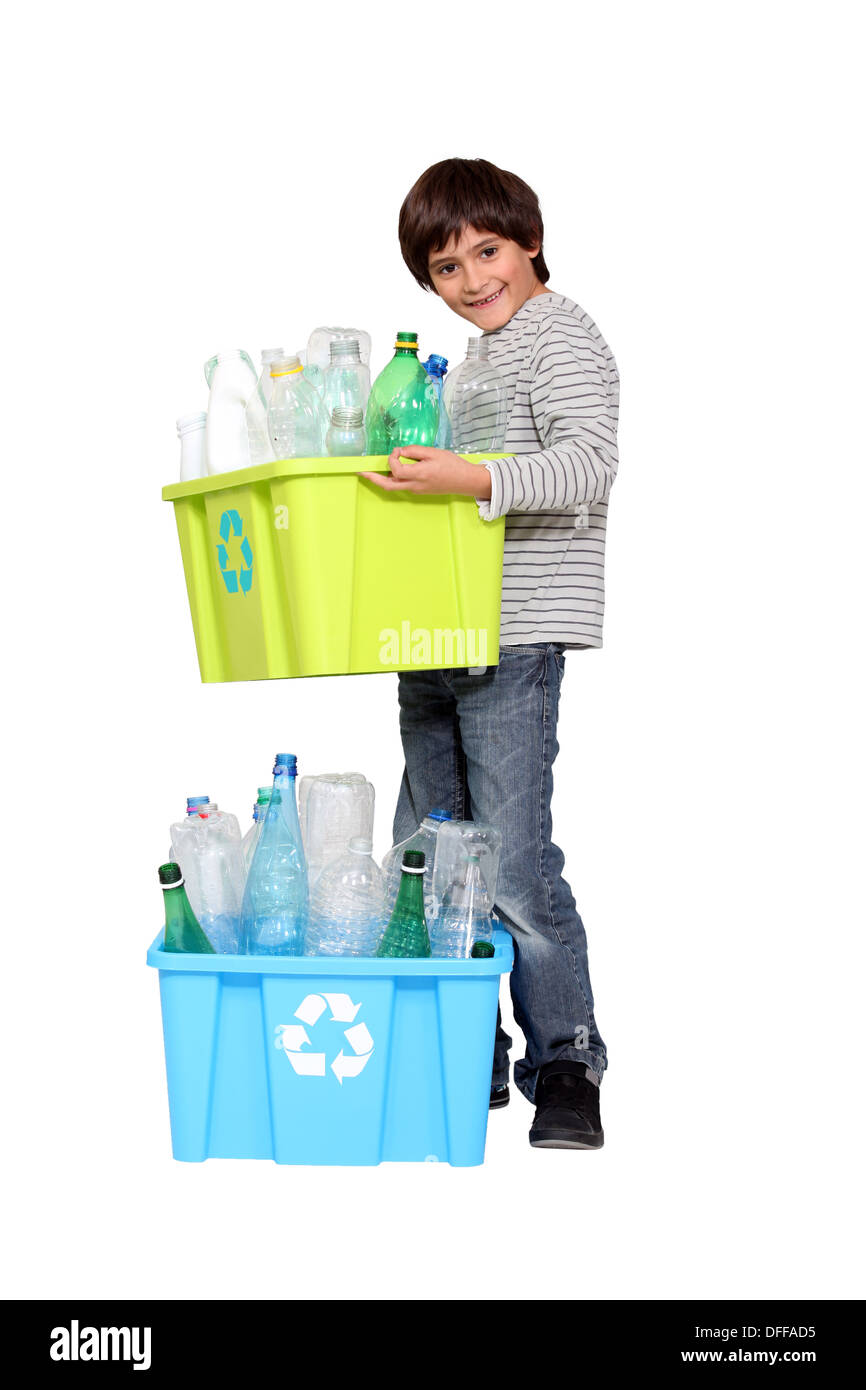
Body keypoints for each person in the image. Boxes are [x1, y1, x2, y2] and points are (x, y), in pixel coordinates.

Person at [360, 157, 619, 1149]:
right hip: (435, 632)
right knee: (431, 855)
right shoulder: (464, 367)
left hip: (511, 635)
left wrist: (464, 473)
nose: (471, 278)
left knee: (509, 863)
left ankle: (564, 1056)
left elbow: (588, 463)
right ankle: (467, 1045)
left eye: (486, 250)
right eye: (445, 265)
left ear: (528, 241)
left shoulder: (557, 333)